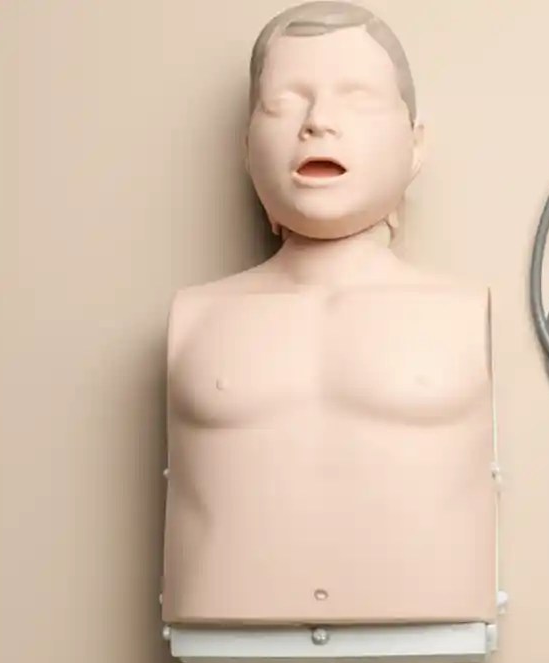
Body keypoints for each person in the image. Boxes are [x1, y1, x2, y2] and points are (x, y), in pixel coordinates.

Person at [160, 1, 498, 630]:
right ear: (245, 146)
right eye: (284, 101)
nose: (318, 123)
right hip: (217, 621)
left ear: (416, 144)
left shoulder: (462, 309)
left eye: (359, 98)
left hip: (437, 619)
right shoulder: (196, 316)